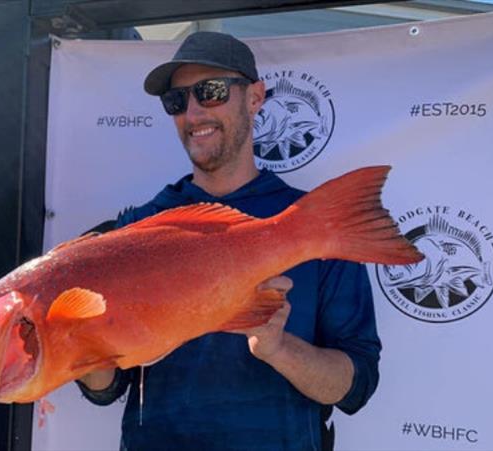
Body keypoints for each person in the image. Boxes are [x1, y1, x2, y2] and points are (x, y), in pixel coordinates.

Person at [76, 31, 380, 451]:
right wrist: (79, 342)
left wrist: (277, 347)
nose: (193, 111)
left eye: (211, 91)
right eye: (176, 101)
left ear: (255, 97)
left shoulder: (315, 225)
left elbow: (356, 384)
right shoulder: (134, 230)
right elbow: (106, 388)